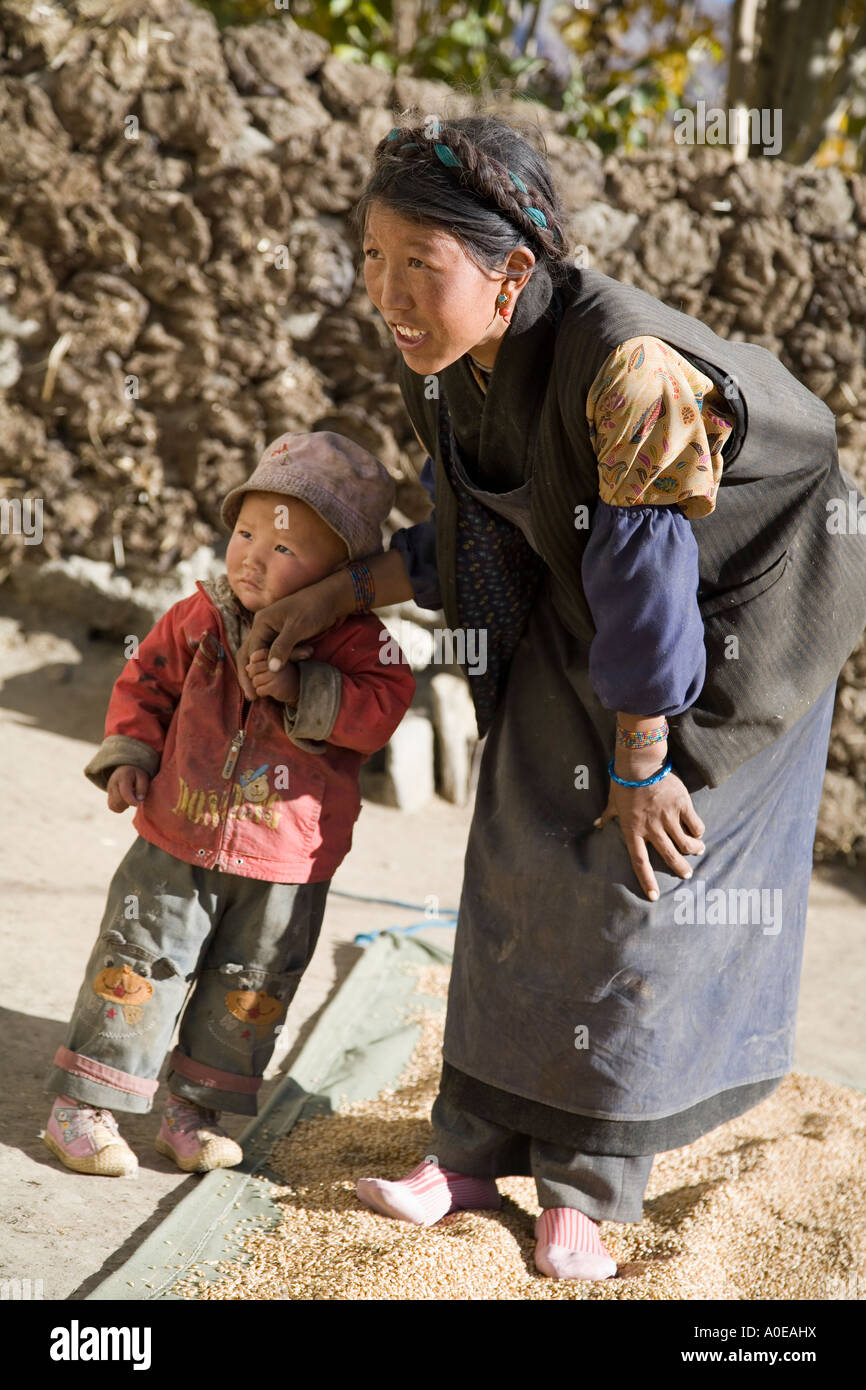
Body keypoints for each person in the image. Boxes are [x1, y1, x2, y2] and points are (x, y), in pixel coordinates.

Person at [234, 115, 866, 1280]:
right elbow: (474, 528)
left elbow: (646, 580)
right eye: (372, 260)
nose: (388, 293)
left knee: (636, 872)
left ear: (510, 270)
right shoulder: (449, 367)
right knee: (519, 828)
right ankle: (469, 1151)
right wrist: (334, 598)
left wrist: (639, 762)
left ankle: (586, 1185)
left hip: (746, 605)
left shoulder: (627, 371)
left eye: (417, 265)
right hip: (611, 596)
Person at [42, 432, 416, 1177]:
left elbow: (380, 712)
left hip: (286, 862)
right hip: (176, 839)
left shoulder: (362, 647)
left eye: (283, 549)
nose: (250, 557)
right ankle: (82, 1105)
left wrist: (306, 691)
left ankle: (192, 1111)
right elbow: (146, 682)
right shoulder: (200, 616)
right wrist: (132, 754)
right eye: (245, 533)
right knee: (139, 960)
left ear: (339, 574)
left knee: (250, 986)